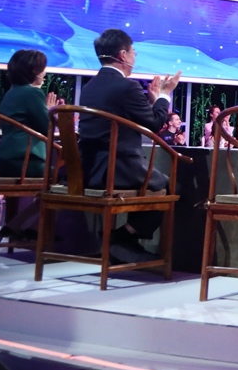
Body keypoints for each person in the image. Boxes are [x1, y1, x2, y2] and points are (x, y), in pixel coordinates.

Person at [78, 28, 182, 263]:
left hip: (89, 171)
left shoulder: (89, 87)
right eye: (134, 52)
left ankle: (123, 243)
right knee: (174, 186)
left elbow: (135, 118)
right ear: (123, 55)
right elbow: (154, 124)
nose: (135, 56)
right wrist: (164, 96)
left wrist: (152, 102)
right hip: (118, 170)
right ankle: (123, 237)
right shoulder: (127, 87)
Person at [0, 49, 61, 238]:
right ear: (34, 71)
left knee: (59, 179)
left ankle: (19, 225)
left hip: (5, 161)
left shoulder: (11, 93)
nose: (45, 73)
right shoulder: (32, 93)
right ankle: (34, 229)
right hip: (24, 162)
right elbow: (47, 128)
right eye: (43, 68)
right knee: (67, 180)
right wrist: (51, 112)